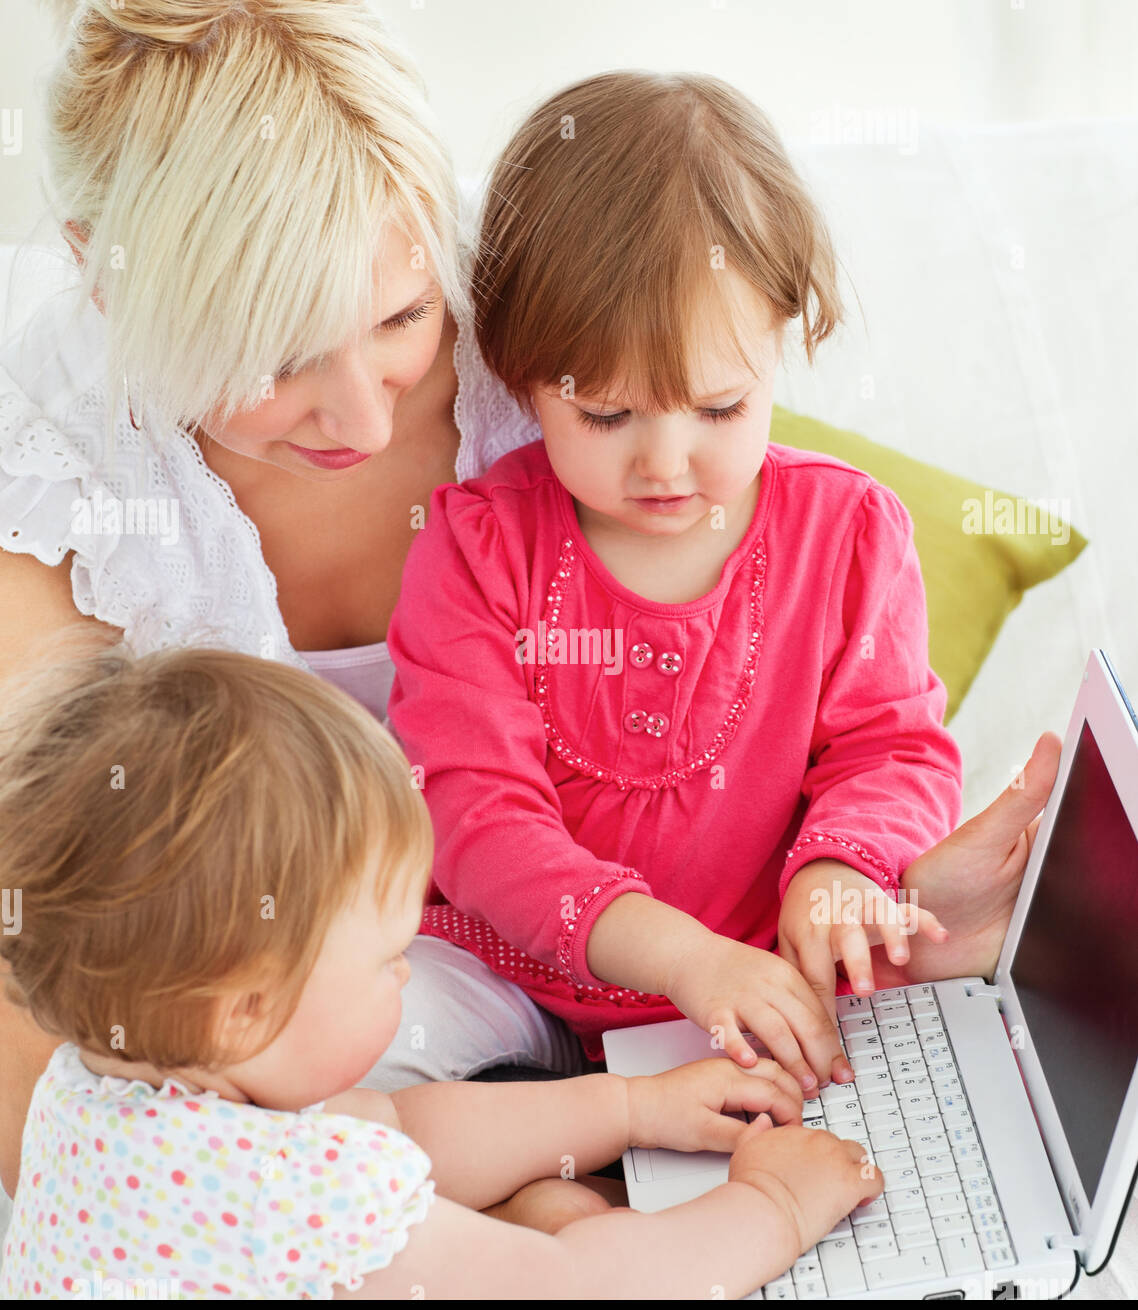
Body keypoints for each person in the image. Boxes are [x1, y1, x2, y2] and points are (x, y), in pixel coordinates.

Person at [0, 0, 1063, 1198]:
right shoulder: (449, 529)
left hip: (738, 961)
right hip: (444, 975)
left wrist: (862, 881)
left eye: (404, 318)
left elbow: (869, 731)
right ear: (100, 270)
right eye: (276, 359)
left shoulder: (581, 329)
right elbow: (57, 993)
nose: (367, 418)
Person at [384, 71, 964, 1093]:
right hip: (512, 981)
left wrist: (835, 874)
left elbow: (892, 748)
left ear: (784, 339)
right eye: (607, 416)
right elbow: (478, 819)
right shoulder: (475, 548)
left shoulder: (847, 531)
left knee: (957, 986)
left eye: (717, 407)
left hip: (761, 980)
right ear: (521, 377)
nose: (664, 463)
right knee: (363, 1051)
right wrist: (679, 958)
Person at [0, 644, 880, 1300]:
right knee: (572, 1230)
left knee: (553, 1204)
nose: (404, 975)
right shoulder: (289, 1195)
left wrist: (629, 1107)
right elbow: (575, 1291)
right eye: (389, 960)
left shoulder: (92, 1087)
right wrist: (776, 1205)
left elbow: (397, 1125)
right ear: (245, 1011)